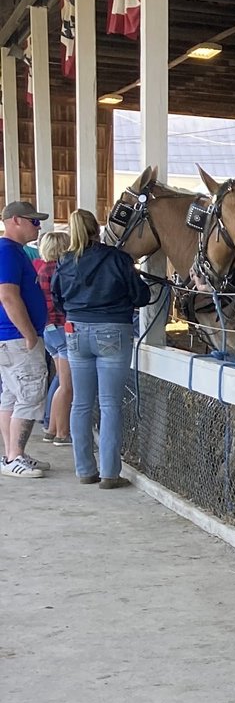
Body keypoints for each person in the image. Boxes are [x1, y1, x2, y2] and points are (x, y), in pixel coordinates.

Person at [53, 207, 150, 489]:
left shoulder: (65, 262)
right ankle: (109, 473)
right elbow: (141, 296)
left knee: (81, 403)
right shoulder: (118, 258)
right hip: (113, 330)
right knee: (110, 405)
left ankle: (84, 470)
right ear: (97, 229)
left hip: (75, 331)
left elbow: (58, 298)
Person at [0, 197, 50, 478]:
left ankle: (11, 455)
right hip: (18, 339)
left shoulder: (15, 251)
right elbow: (7, 295)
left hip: (10, 338)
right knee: (29, 395)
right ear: (15, 221)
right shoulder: (7, 251)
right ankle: (14, 456)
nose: (38, 227)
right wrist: (29, 333)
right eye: (34, 221)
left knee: (11, 395)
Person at [34, 230, 72, 446]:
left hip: (49, 329)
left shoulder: (42, 270)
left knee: (60, 381)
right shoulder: (59, 270)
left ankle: (52, 429)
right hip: (60, 327)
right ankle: (61, 433)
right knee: (68, 385)